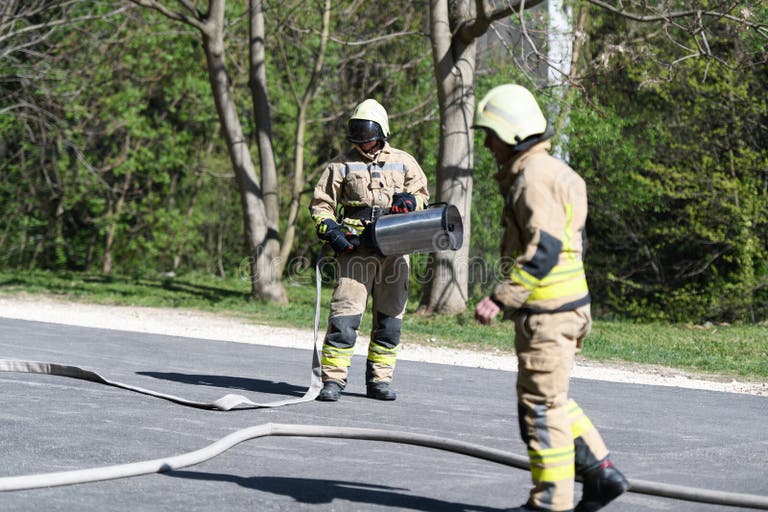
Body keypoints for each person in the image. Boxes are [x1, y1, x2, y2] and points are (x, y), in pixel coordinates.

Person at [472, 84, 630, 512]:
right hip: (569, 309)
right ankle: (601, 474)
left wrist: (500, 298)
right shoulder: (556, 171)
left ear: (515, 134)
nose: (487, 144)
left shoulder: (532, 181)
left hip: (547, 314)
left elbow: (543, 250)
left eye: (492, 134)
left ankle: (549, 503)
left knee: (540, 412)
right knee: (552, 400)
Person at [309, 98, 429, 402]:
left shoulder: (404, 161)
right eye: (359, 139)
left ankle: (380, 380)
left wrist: (409, 203)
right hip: (355, 252)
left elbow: (423, 196)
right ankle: (333, 381)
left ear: (382, 133)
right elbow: (322, 204)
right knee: (344, 318)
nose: (365, 145)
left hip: (394, 250)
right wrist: (329, 229)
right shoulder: (340, 164)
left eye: (370, 138)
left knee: (390, 320)